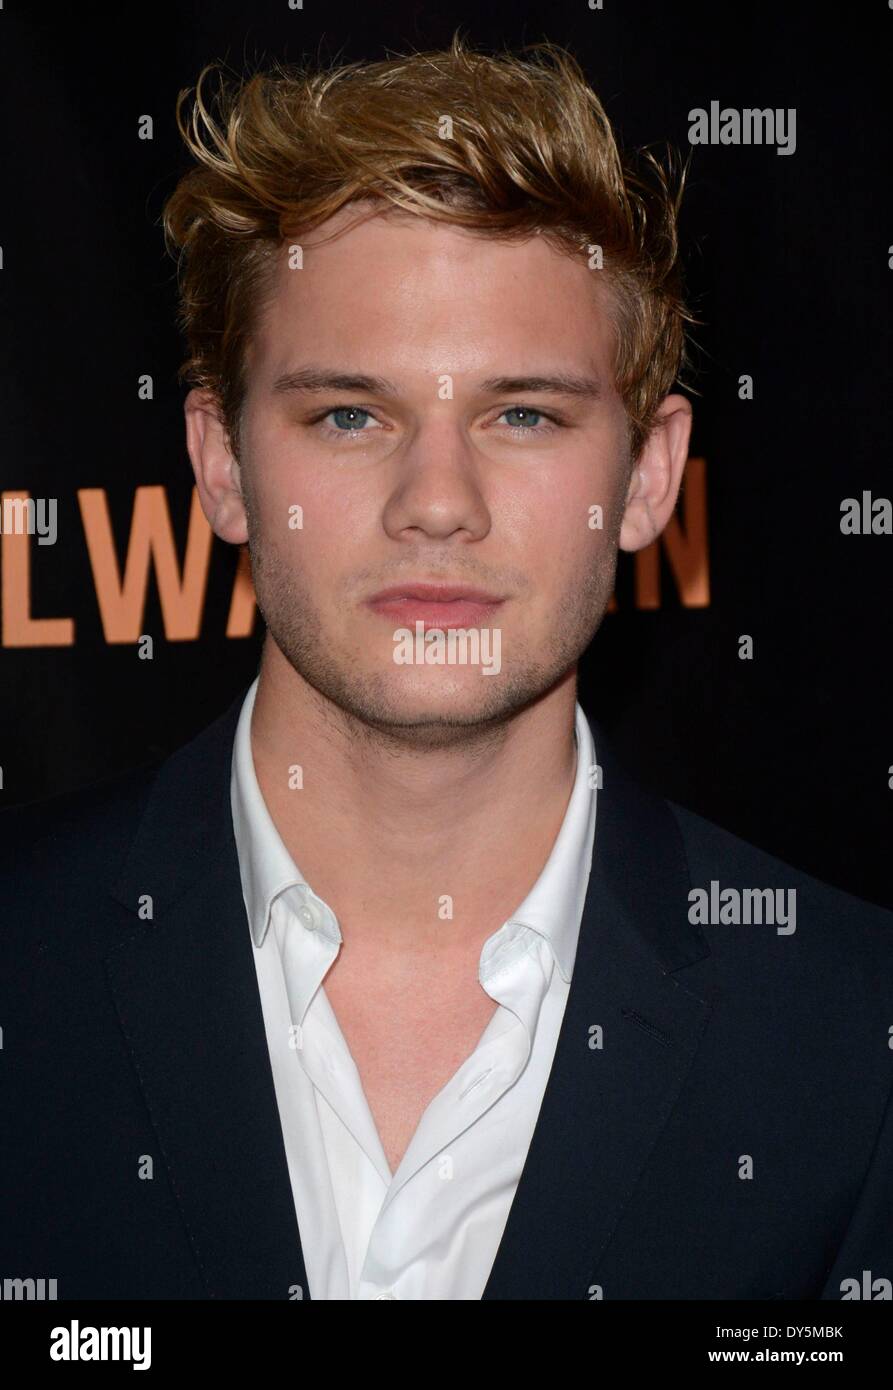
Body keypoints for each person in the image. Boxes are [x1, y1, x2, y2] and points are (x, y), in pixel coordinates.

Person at [2, 34, 892, 1302]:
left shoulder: (854, 1042)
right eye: (349, 414)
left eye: (521, 413)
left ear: (646, 475)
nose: (436, 502)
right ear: (218, 461)